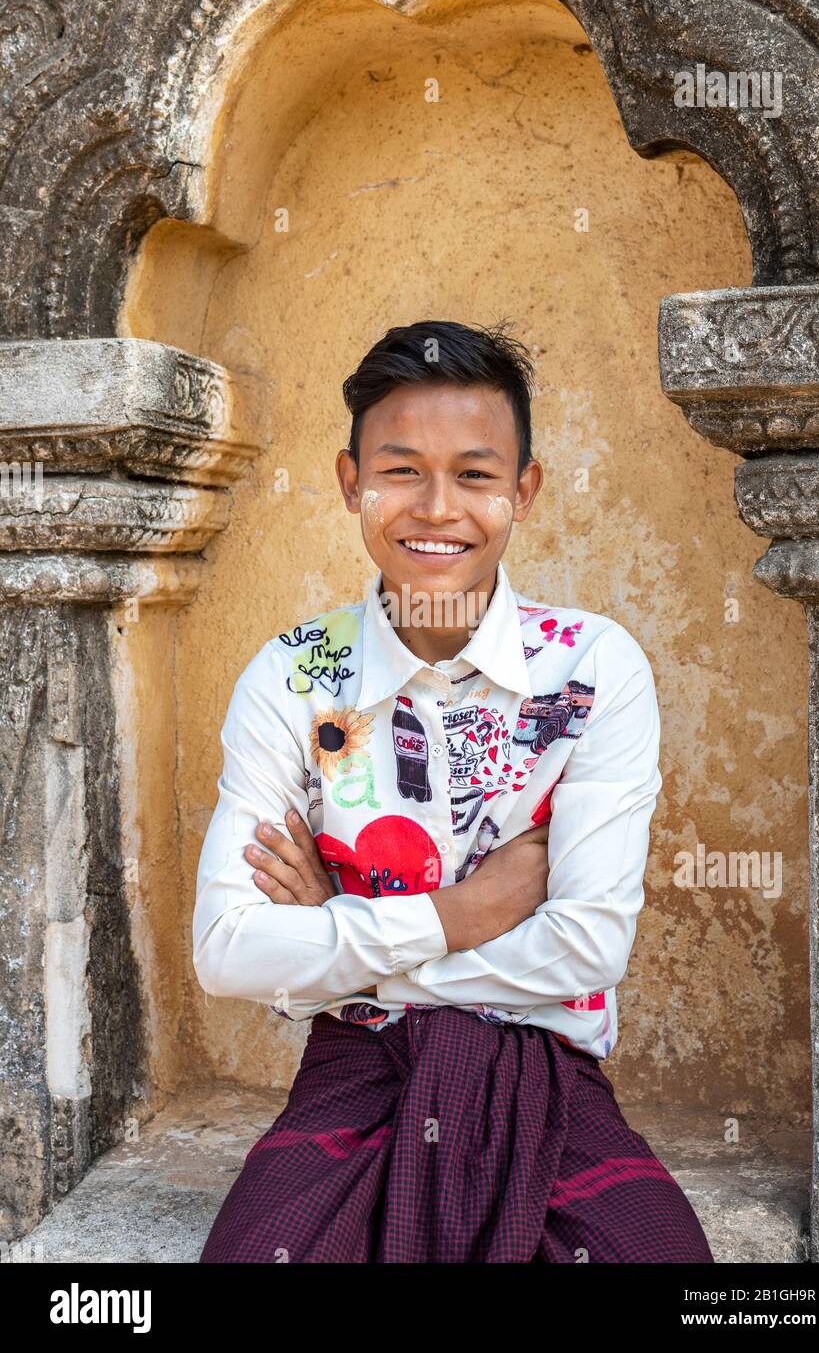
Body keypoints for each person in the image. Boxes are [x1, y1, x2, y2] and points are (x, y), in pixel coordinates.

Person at [192, 319, 714, 1263]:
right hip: (353, 1069)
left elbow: (588, 946)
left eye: (475, 475)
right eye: (401, 470)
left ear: (524, 490)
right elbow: (228, 951)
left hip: (544, 1068)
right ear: (353, 482)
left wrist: (346, 954)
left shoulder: (591, 670)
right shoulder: (293, 678)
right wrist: (469, 912)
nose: (437, 509)